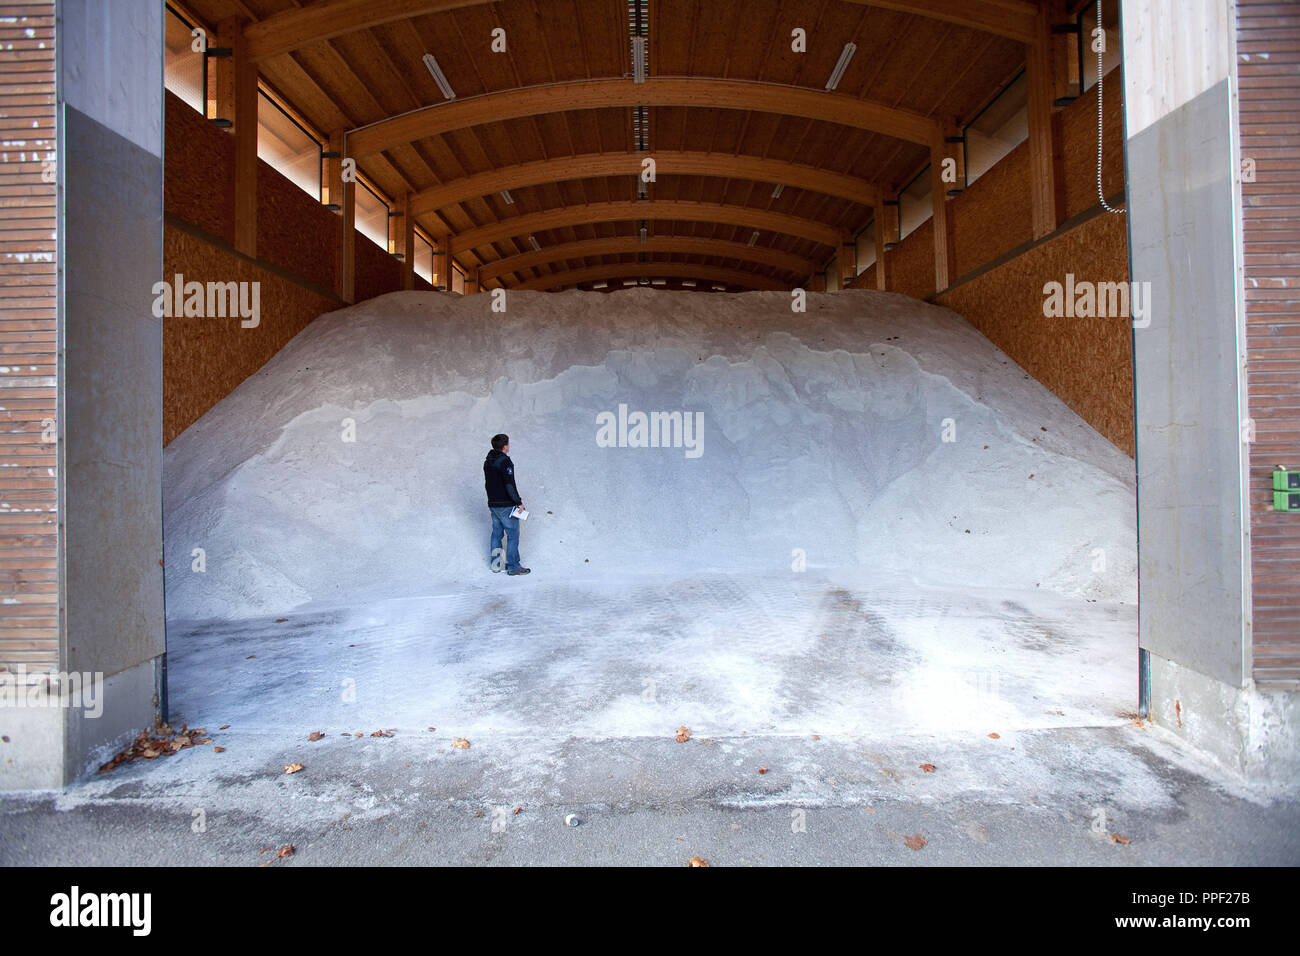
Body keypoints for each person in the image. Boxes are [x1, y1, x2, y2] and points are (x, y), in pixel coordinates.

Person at [483, 433, 530, 576]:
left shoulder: (487, 461)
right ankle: (514, 566)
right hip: (506, 505)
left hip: (493, 504)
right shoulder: (505, 462)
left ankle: (496, 564)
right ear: (505, 446)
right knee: (512, 535)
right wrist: (518, 502)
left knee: (496, 534)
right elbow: (509, 485)